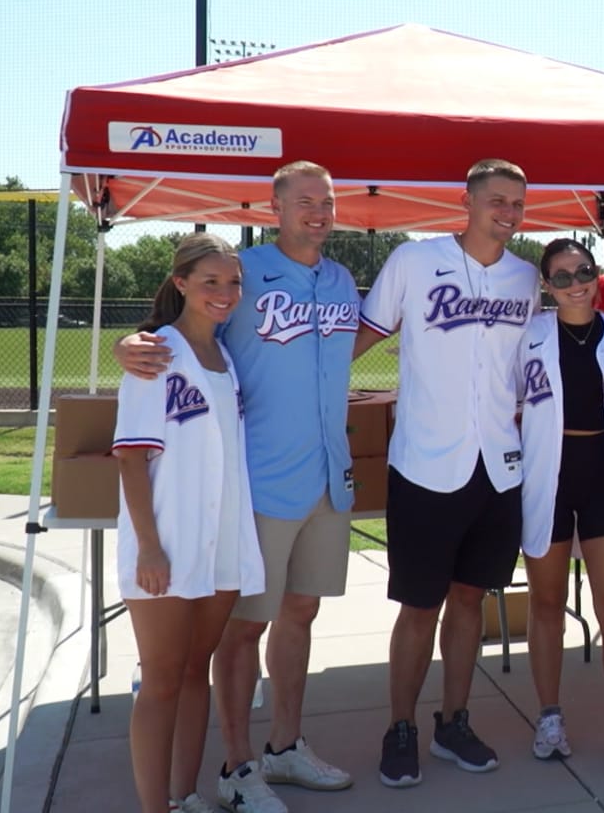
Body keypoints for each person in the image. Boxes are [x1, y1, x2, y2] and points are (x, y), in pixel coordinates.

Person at [116, 161, 360, 813]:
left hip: (327, 477)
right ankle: (237, 764)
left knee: (302, 614)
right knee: (241, 634)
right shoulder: (245, 272)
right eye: (304, 201)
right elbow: (180, 328)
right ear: (275, 209)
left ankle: (284, 747)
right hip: (257, 483)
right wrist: (129, 343)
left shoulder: (341, 280)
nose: (318, 211)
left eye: (326, 201)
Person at [353, 159, 538, 787]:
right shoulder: (413, 261)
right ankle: (400, 726)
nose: (507, 212)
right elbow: (361, 336)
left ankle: (454, 720)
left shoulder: (526, 277)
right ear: (466, 200)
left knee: (470, 601)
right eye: (496, 200)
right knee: (418, 606)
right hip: (426, 462)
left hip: (499, 465)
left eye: (517, 202)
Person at [113, 235, 265, 813]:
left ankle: (186, 796)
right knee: (161, 680)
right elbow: (130, 457)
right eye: (210, 282)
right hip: (168, 542)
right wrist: (150, 548)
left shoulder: (223, 358)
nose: (225, 294)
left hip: (221, 540)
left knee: (196, 671)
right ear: (180, 283)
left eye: (233, 283)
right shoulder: (155, 355)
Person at [517, 238, 604, 774]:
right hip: (547, 476)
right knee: (546, 605)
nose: (576, 283)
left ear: (598, 275)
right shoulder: (528, 336)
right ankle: (549, 717)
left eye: (584, 272)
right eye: (562, 276)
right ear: (546, 285)